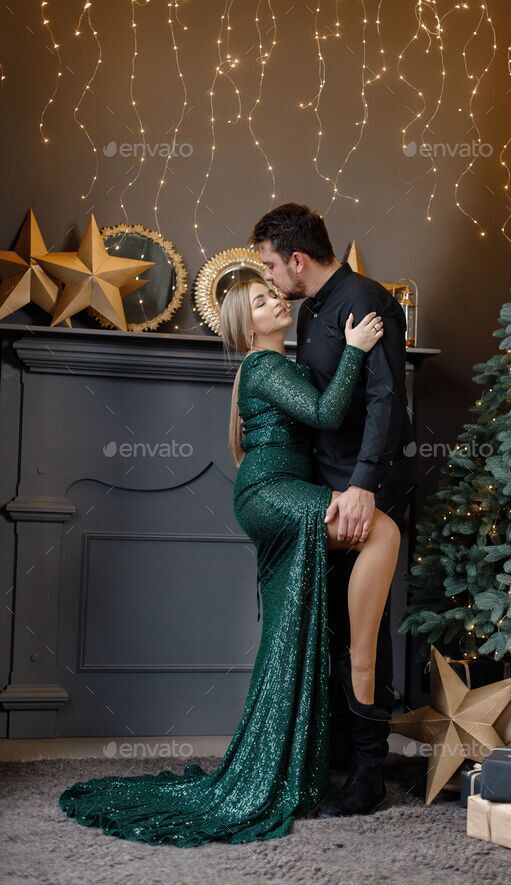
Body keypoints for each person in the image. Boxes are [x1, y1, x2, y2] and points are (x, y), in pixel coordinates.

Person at [57, 276, 399, 847]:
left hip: (273, 489)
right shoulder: (264, 367)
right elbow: (327, 413)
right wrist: (358, 351)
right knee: (380, 529)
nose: (276, 303)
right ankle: (361, 673)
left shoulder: (276, 365)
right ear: (246, 326)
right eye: (263, 302)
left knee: (294, 622)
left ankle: (332, 727)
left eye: (275, 295)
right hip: (268, 491)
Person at [250, 202, 417, 817]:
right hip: (320, 494)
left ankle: (369, 777)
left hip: (357, 491)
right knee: (329, 628)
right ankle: (335, 758)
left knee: (359, 636)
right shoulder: (314, 307)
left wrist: (364, 486)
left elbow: (384, 402)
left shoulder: (365, 299)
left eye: (270, 264)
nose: (268, 277)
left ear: (297, 260)